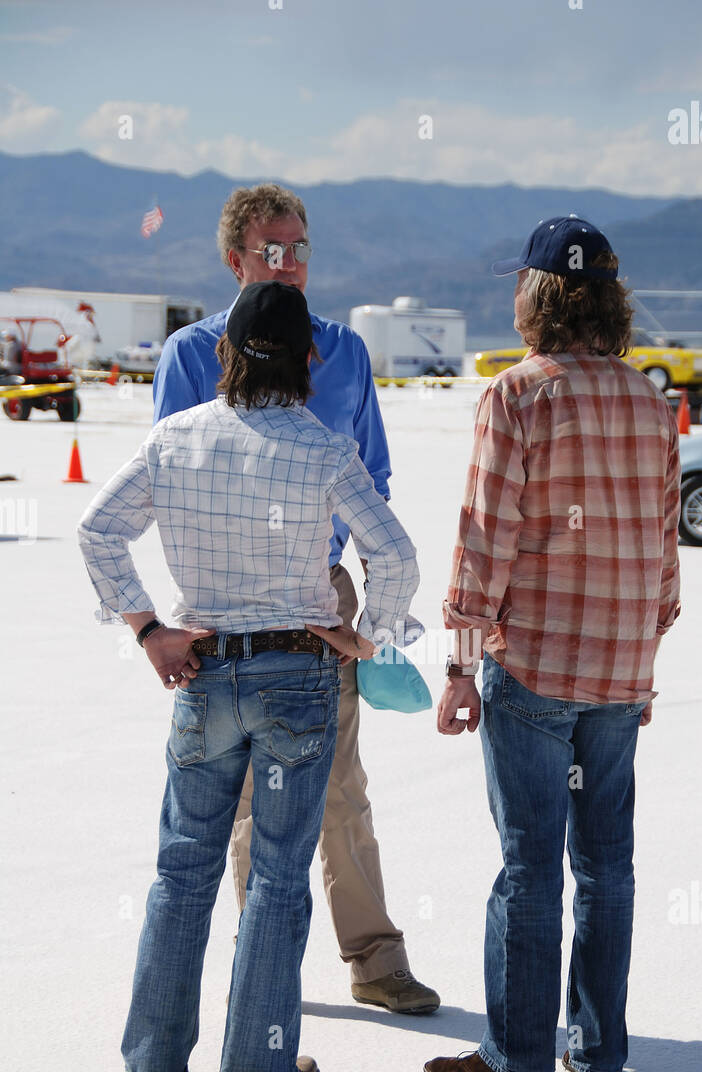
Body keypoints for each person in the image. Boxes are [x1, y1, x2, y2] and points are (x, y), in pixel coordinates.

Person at [77, 282, 421, 1072]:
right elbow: (396, 555)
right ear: (308, 360)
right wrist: (367, 636)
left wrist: (147, 630)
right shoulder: (325, 448)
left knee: (182, 869)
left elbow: (97, 530)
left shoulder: (174, 438)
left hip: (201, 672)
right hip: (298, 678)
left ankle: (156, 1055)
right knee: (277, 875)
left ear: (224, 352)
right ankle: (259, 1059)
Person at [152, 183, 439, 1014]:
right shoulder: (190, 353)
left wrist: (338, 576)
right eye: (272, 250)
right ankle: (264, 962)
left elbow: (374, 473)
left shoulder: (345, 352)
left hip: (324, 596)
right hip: (224, 602)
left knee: (341, 784)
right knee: (243, 792)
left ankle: (375, 960)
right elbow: (175, 475)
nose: (289, 264)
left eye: (300, 247)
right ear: (234, 260)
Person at [425, 215, 681, 1072]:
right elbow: (663, 547)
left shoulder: (516, 395)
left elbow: (483, 540)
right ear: (611, 302)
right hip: (619, 670)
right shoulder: (652, 401)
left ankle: (517, 1056)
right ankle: (600, 1050)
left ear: (535, 295)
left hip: (532, 664)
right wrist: (645, 653)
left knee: (530, 866)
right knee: (608, 867)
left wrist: (459, 665)